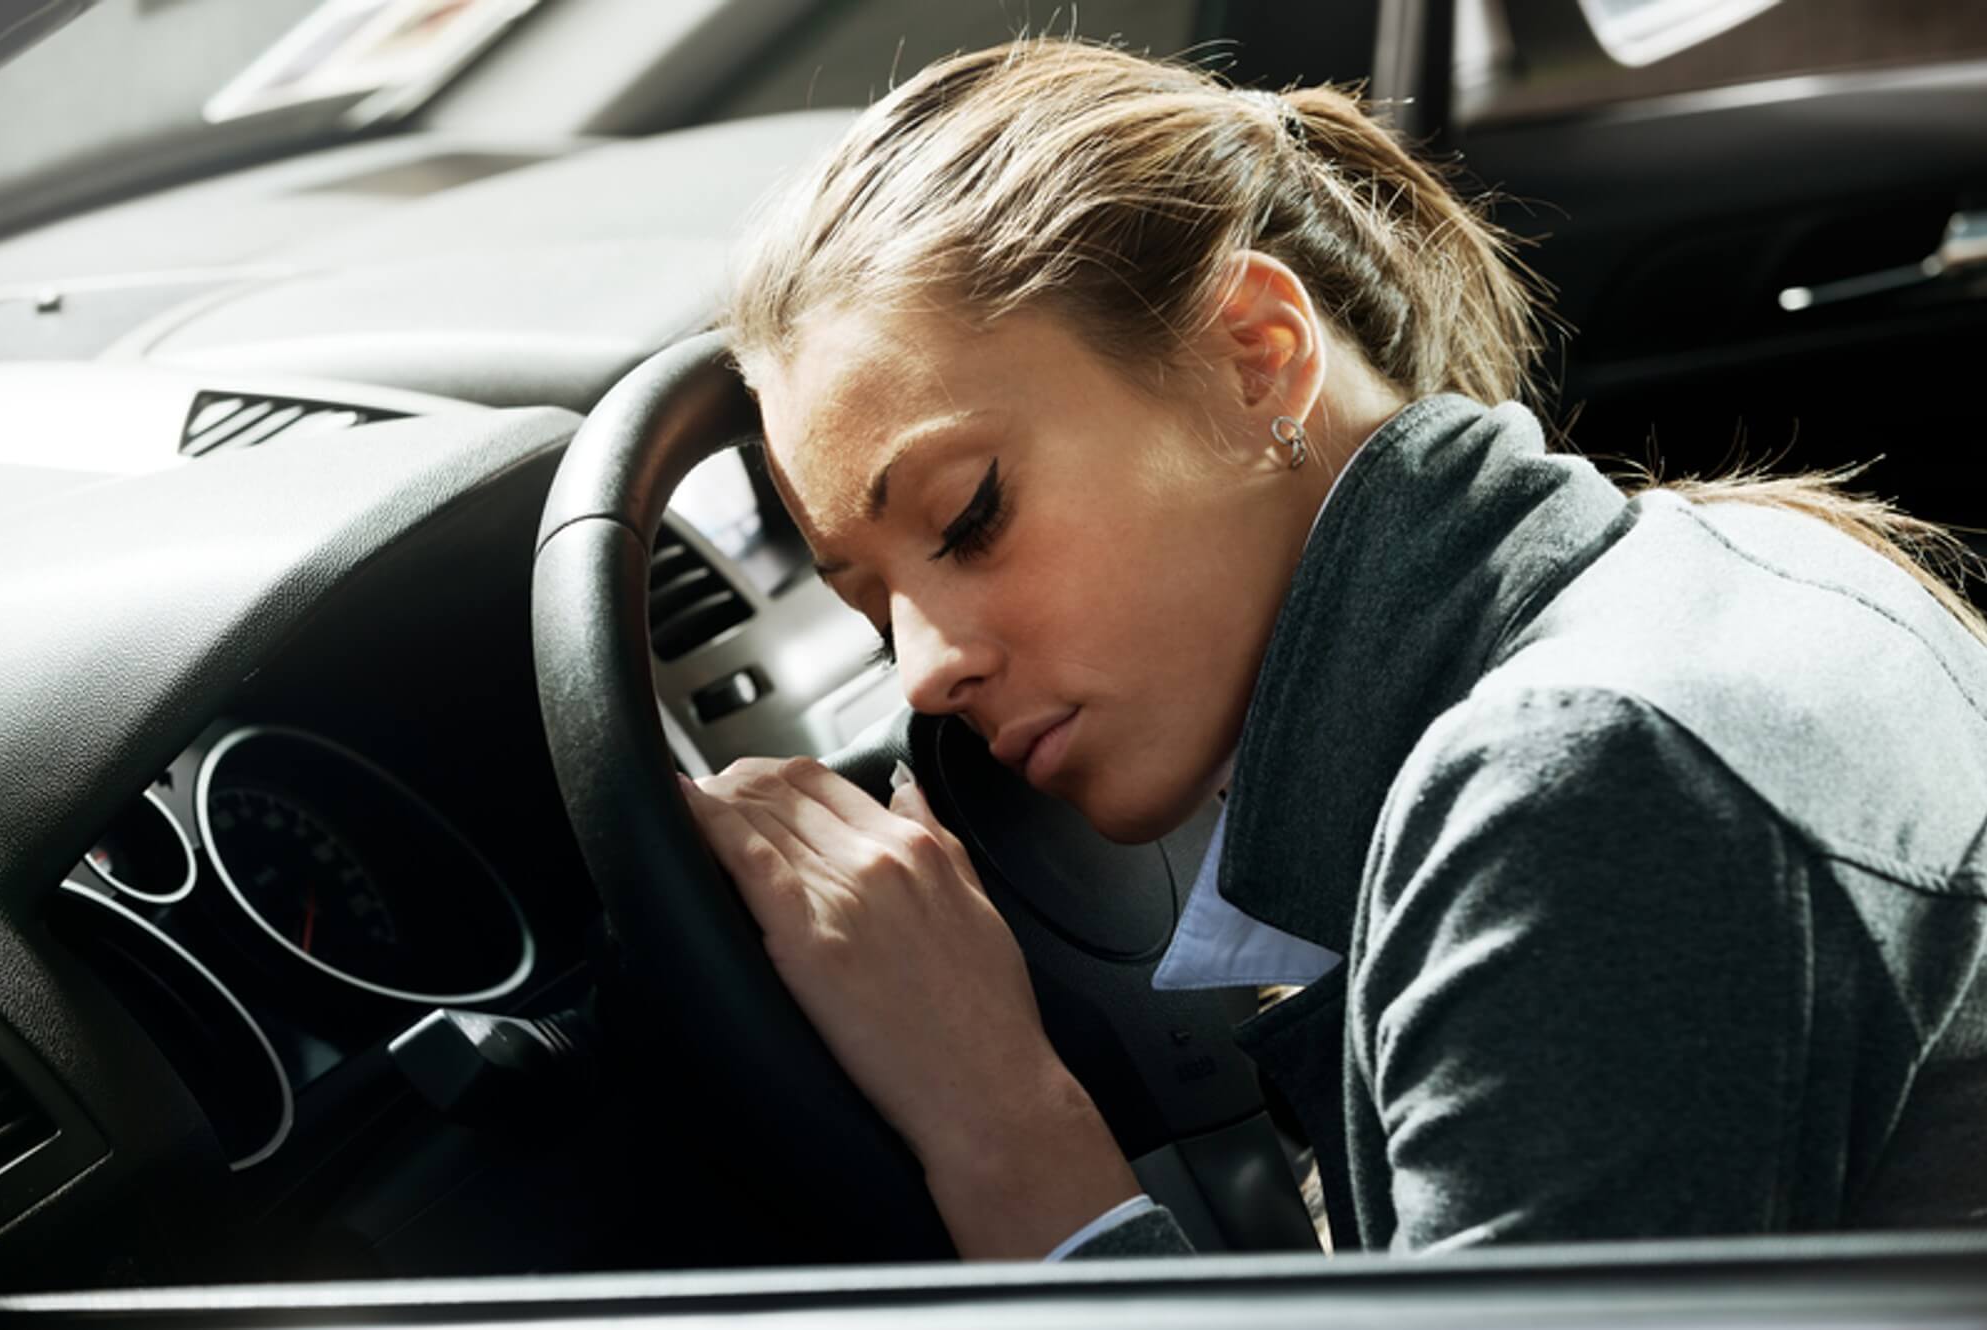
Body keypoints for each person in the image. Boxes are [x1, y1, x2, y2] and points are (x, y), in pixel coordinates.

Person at [675, 38, 1987, 1260]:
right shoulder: (1717, 564)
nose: (920, 673)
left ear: (1256, 354)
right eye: (868, 605)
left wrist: (998, 1118)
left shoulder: (1583, 795)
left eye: (971, 516)